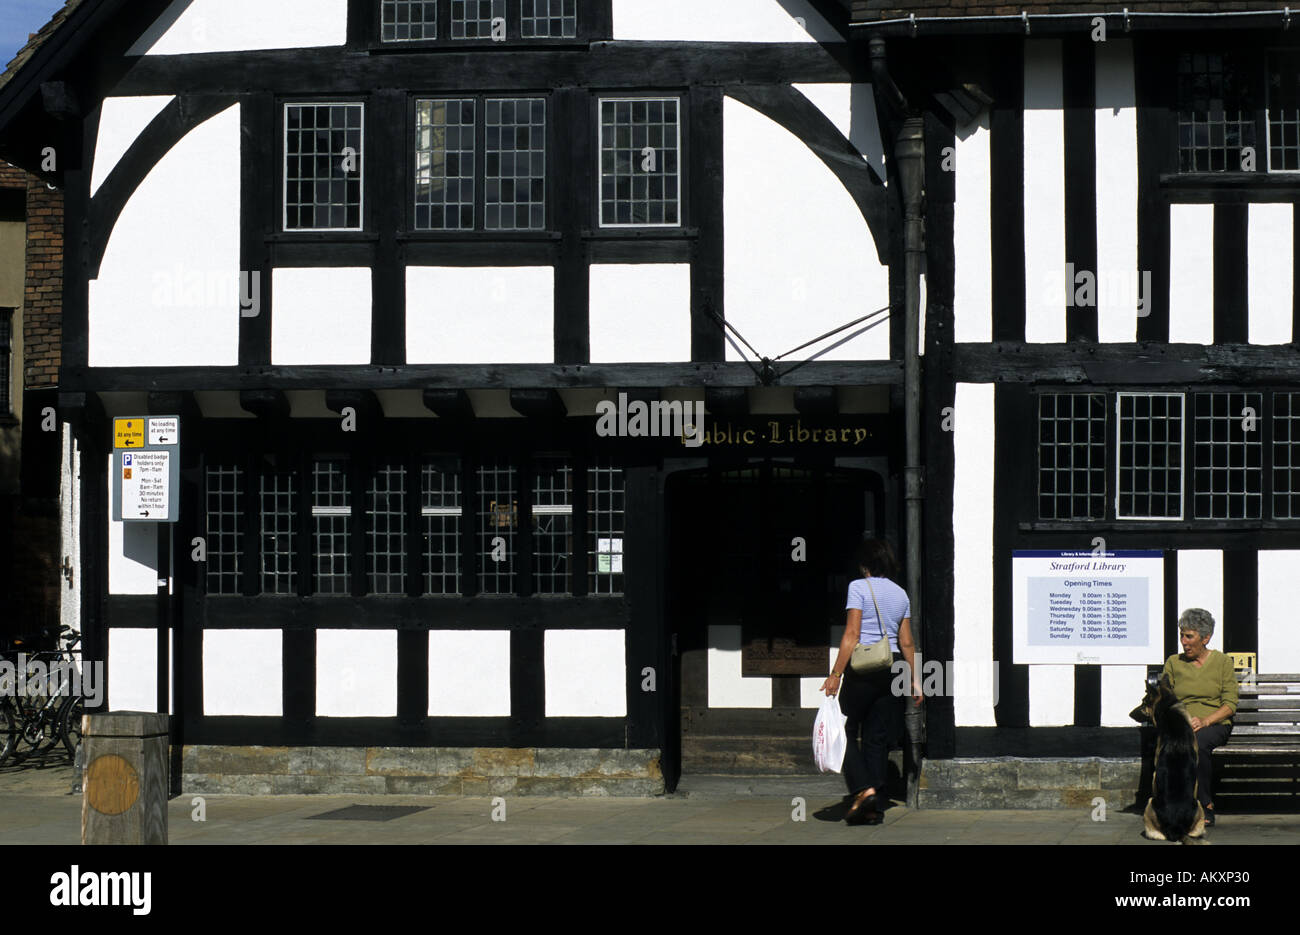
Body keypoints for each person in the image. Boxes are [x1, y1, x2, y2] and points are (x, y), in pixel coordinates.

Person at [820, 539, 921, 825]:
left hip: (862, 669)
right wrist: (915, 680)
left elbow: (852, 634)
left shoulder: (858, 588)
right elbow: (907, 642)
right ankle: (874, 805)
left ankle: (863, 789)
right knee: (877, 737)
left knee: (844, 729)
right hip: (891, 669)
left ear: (865, 564)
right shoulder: (901, 594)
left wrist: (836, 674)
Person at [1161, 608, 1238, 827]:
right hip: (1182, 723)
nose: (1184, 642)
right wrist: (1182, 719)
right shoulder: (1174, 663)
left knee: (1198, 742)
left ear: (1205, 638)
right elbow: (1167, 698)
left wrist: (1205, 721)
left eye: (1189, 636)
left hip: (1214, 723)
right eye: (1182, 635)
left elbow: (1230, 704)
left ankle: (1205, 805)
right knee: (1177, 742)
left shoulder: (1222, 662)